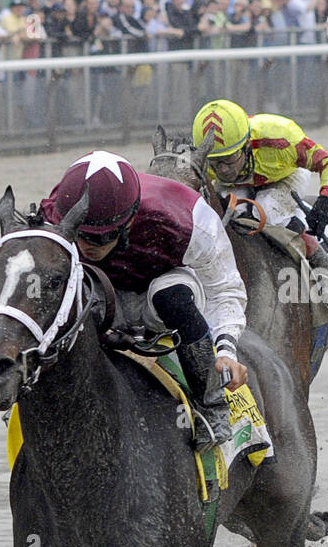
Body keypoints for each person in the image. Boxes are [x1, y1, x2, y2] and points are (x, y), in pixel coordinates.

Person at [38, 151, 248, 449]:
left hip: (160, 293)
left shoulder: (189, 218)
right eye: (79, 236)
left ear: (130, 220)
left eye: (98, 238)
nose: (86, 246)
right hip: (98, 292)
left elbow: (225, 289)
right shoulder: (53, 213)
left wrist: (226, 350)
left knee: (172, 297)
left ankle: (211, 406)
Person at [191, 98, 328, 277]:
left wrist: (325, 199)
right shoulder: (203, 159)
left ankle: (323, 263)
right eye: (215, 162)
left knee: (267, 212)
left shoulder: (282, 140)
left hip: (286, 176)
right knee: (231, 214)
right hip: (238, 183)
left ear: (247, 144)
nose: (223, 169)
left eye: (229, 158)